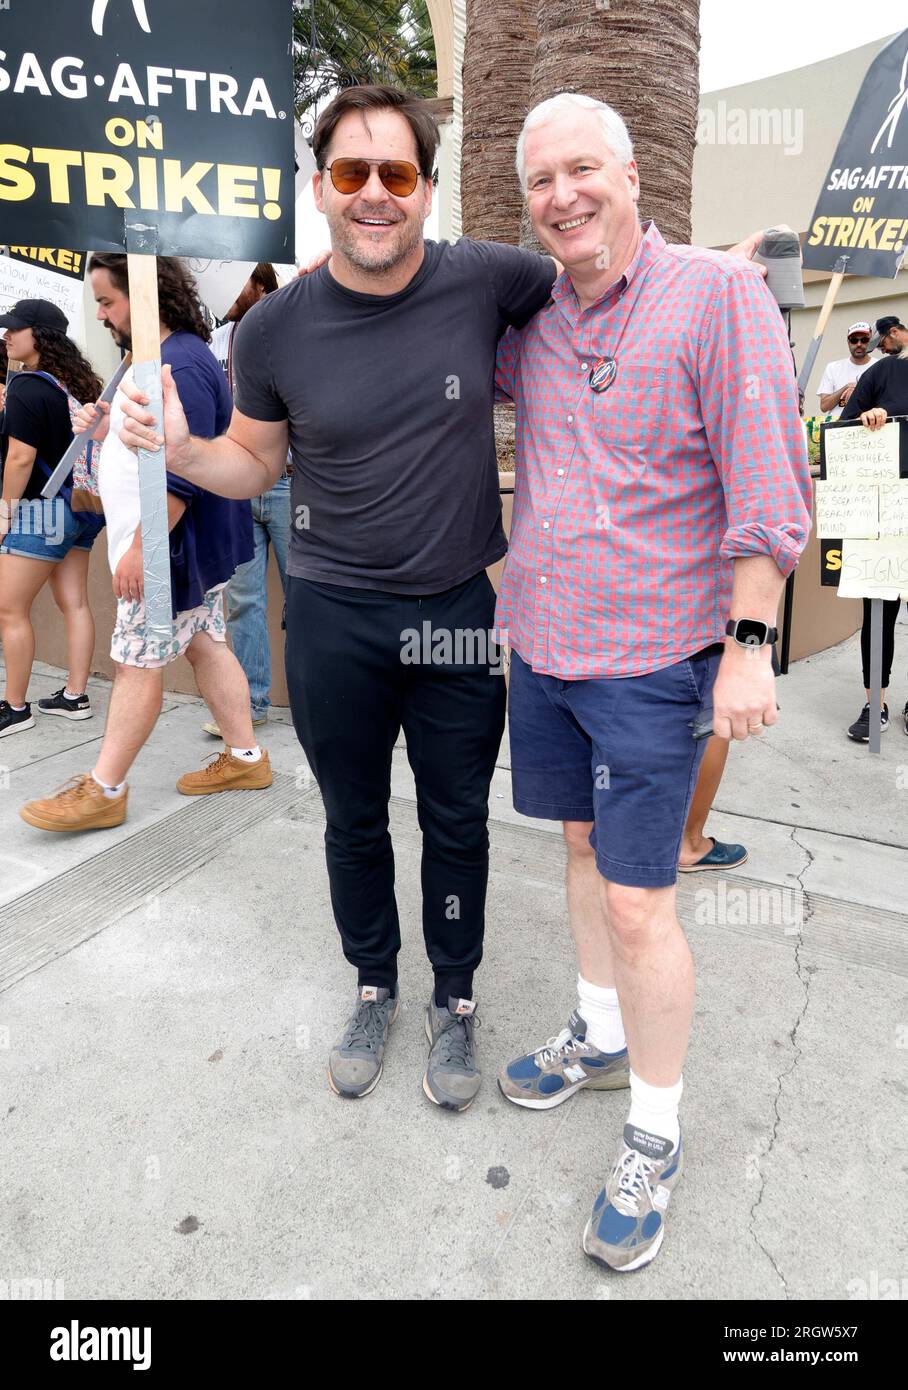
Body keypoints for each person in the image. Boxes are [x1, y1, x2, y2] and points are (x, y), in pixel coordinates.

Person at [114, 84, 560, 1112]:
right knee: (353, 820)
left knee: (456, 821)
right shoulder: (271, 330)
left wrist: (715, 276)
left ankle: (453, 998)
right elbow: (255, 464)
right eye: (351, 173)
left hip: (453, 614)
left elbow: (600, 278)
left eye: (395, 175)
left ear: (426, 191)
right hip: (329, 618)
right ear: (318, 188)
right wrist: (180, 446)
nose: (373, 194)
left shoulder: (487, 279)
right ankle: (375, 981)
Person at [494, 93, 812, 1273]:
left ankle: (654, 1130)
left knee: (640, 898)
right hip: (543, 642)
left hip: (650, 655)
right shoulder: (527, 320)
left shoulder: (717, 297)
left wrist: (749, 640)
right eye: (540, 181)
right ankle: (597, 1029)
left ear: (632, 178)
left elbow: (767, 486)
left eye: (582, 169)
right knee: (576, 846)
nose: (562, 195)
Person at [19, 257, 268, 833]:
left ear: (146, 295)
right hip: (179, 546)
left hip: (166, 551)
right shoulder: (166, 356)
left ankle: (104, 789)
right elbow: (155, 450)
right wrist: (108, 433)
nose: (102, 315)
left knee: (135, 663)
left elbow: (186, 466)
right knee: (206, 643)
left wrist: (141, 547)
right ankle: (246, 757)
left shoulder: (176, 361)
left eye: (108, 302)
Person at [0, 299, 105, 737]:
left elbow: (21, 458)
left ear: (38, 336)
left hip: (41, 511)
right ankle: (74, 696)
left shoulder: (26, 386)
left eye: (14, 329)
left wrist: (4, 510)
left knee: (8, 608)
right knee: (75, 602)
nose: (5, 335)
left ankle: (15, 707)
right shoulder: (76, 383)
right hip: (83, 508)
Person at [204, 262, 290, 738]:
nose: (224, 293)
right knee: (242, 601)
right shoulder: (217, 341)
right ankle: (251, 702)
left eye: (233, 281)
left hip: (293, 482)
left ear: (260, 284)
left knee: (307, 598)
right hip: (237, 487)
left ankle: (316, 703)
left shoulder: (290, 327)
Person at [840, 332, 908, 740]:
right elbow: (845, 424)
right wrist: (867, 420)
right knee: (880, 613)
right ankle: (874, 702)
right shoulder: (886, 371)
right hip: (883, 510)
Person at [817, 321, 877, 419]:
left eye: (864, 340)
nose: (859, 344)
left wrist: (859, 389)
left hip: (869, 425)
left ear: (870, 341)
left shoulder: (879, 366)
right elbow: (824, 406)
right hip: (838, 427)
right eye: (854, 340)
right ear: (848, 342)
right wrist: (846, 388)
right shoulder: (833, 367)